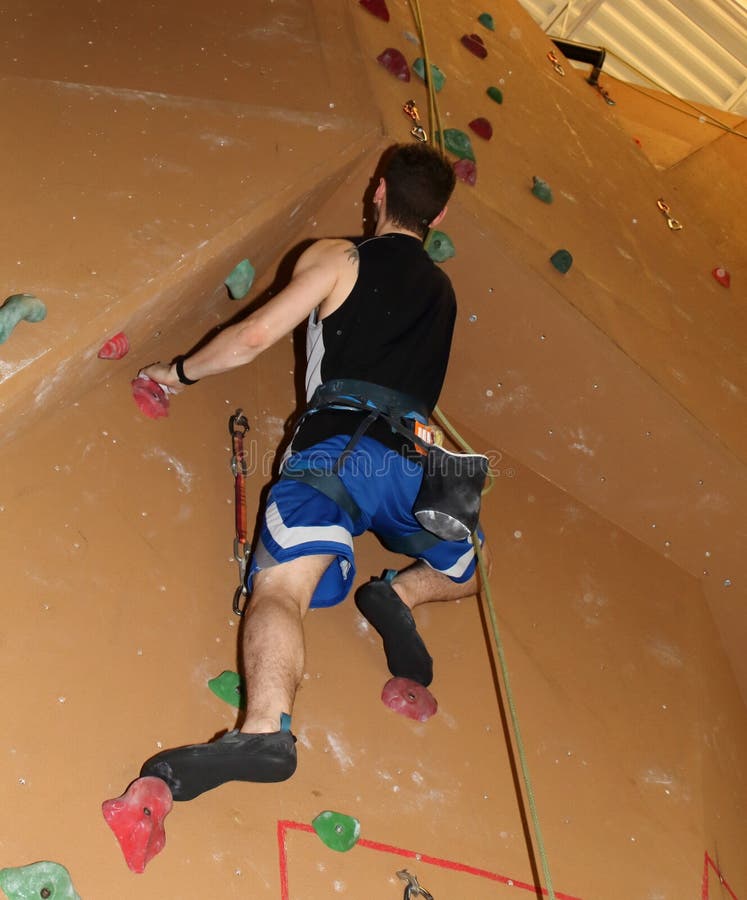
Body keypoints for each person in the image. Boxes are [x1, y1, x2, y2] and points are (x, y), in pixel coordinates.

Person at [138, 142, 485, 801]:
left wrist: (176, 373)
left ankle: (264, 730)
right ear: (438, 217)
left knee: (282, 590)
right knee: (470, 568)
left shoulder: (339, 256)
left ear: (378, 191)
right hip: (419, 462)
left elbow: (253, 336)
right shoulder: (443, 293)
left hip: (341, 447)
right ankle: (403, 595)